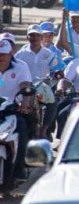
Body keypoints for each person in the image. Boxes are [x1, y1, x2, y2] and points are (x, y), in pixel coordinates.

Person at [0, 40, 33, 180]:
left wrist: (25, 103)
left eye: (3, 54)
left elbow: (25, 86)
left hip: (11, 109)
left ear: (10, 53)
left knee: (23, 127)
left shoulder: (20, 67)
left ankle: (19, 169)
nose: (1, 57)